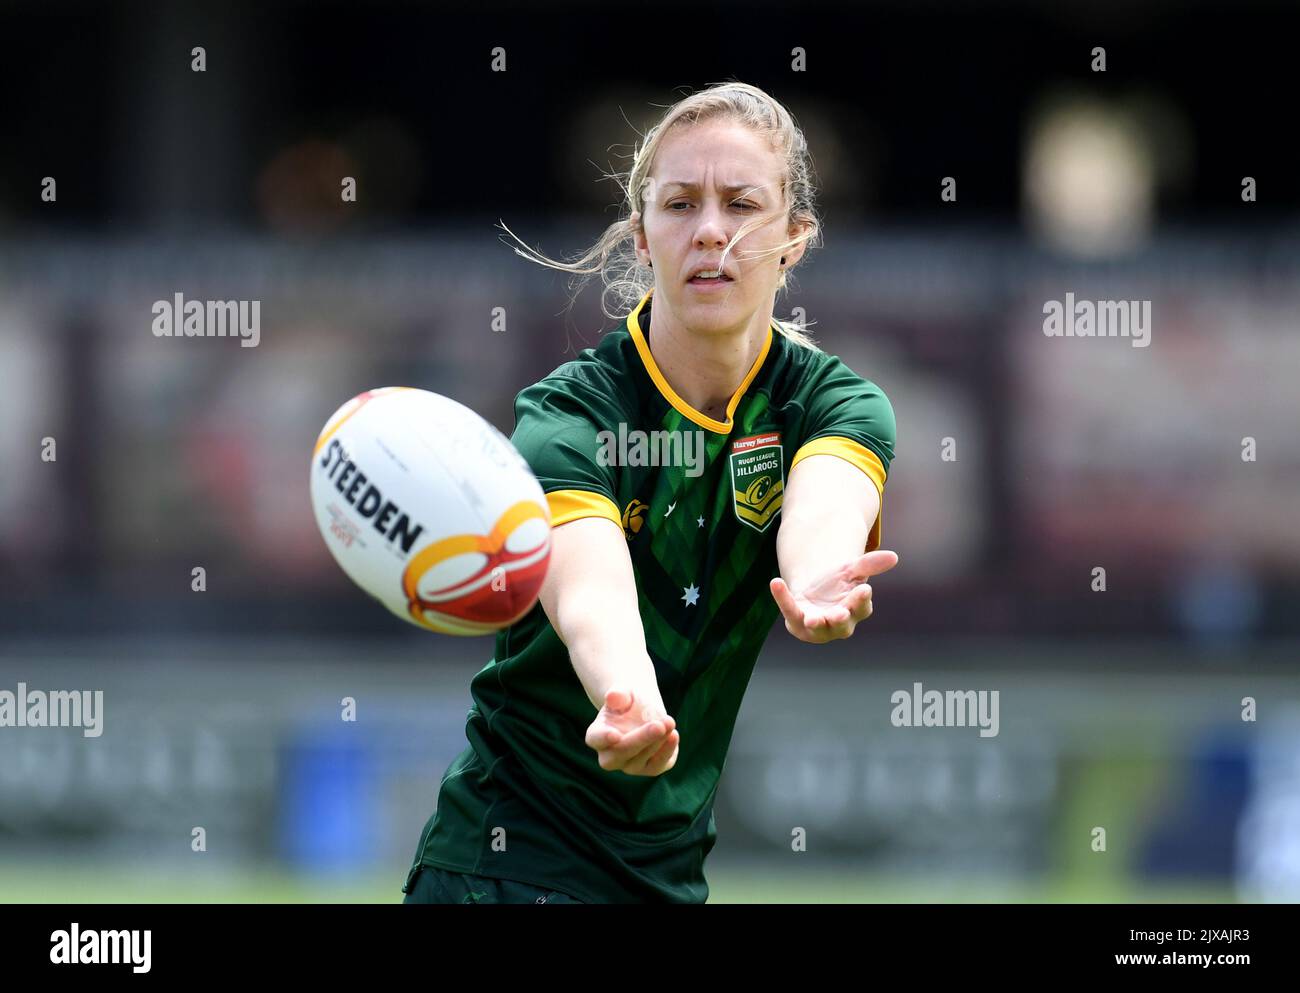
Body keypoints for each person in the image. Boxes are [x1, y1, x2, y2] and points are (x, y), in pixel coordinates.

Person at [403, 80, 897, 904]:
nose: (710, 231)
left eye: (742, 203)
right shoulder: (568, 414)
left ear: (795, 237)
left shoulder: (835, 405)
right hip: (504, 863)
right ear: (643, 236)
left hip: (664, 875)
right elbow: (590, 592)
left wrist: (815, 581)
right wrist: (625, 696)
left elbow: (826, 508)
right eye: (680, 205)